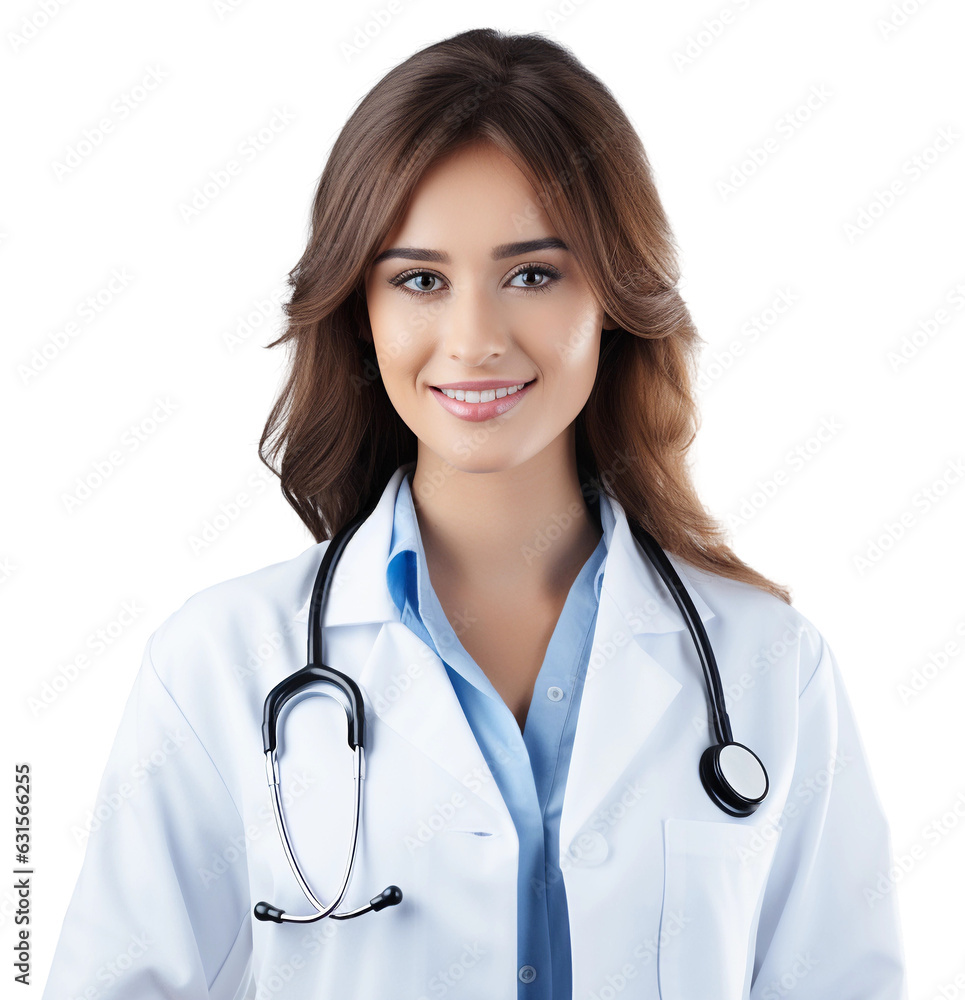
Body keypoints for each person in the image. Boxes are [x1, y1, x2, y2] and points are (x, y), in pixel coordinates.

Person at [43, 26, 908, 1000]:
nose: (473, 339)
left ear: (613, 298)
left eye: (532, 274)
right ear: (359, 312)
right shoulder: (218, 662)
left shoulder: (769, 670)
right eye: (419, 279)